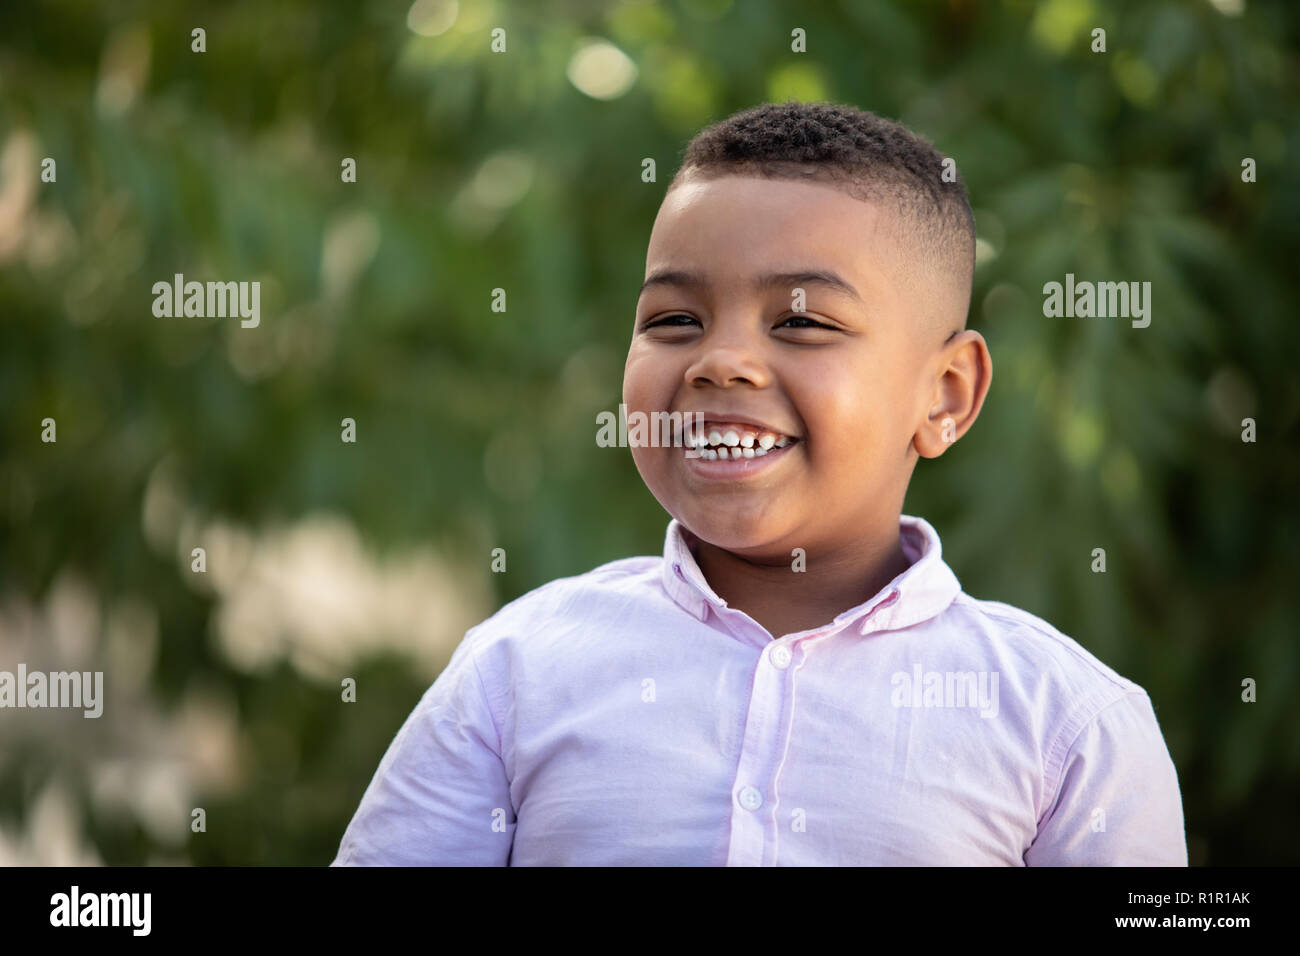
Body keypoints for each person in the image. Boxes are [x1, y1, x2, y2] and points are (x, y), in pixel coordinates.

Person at [331, 101, 1187, 866]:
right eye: (674, 319)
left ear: (945, 394)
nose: (722, 361)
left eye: (802, 321)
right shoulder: (516, 674)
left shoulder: (1065, 726)